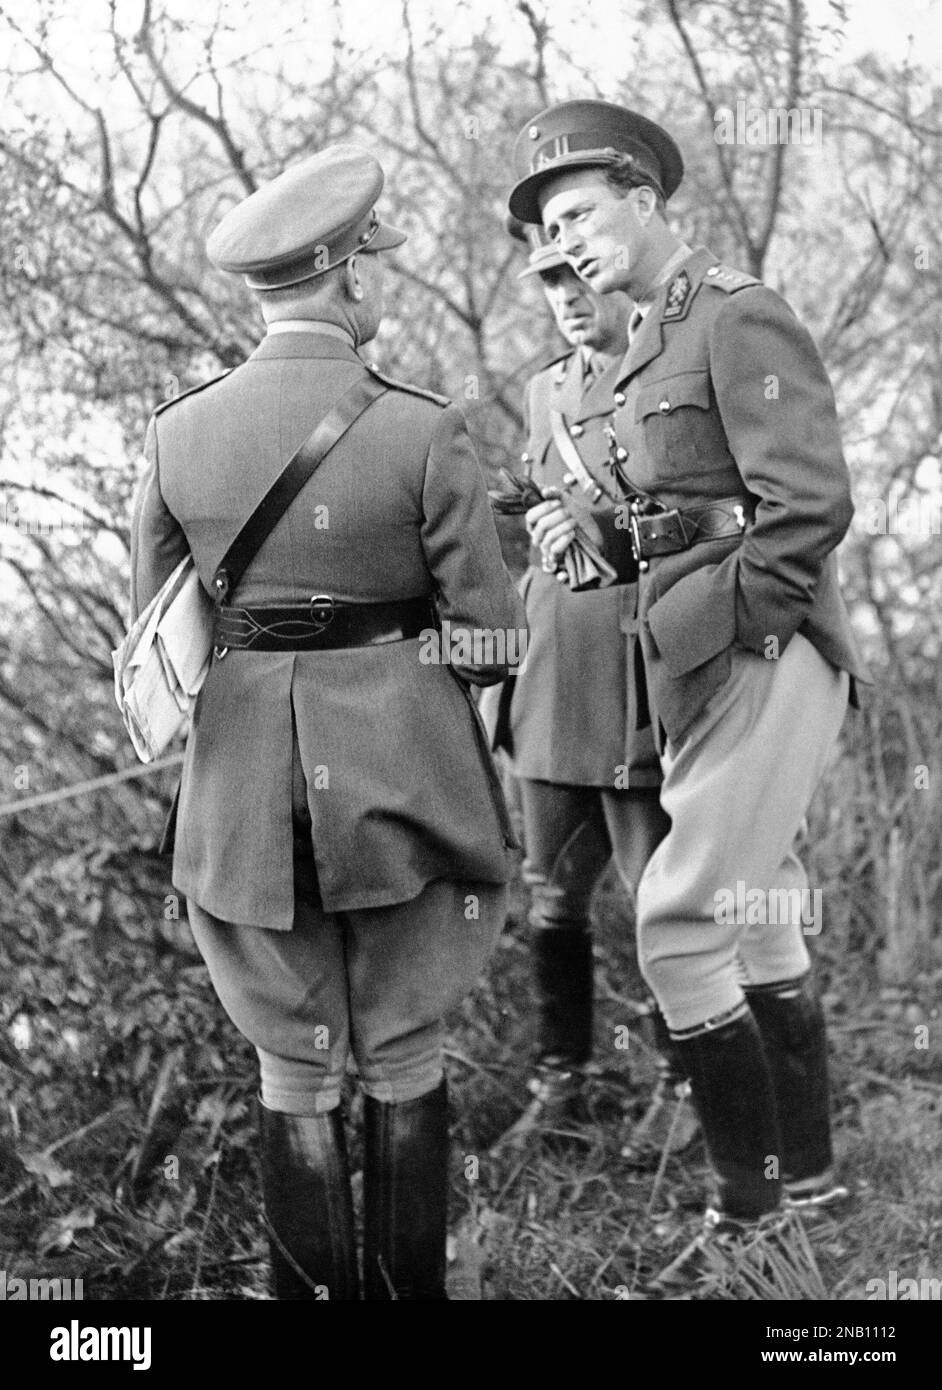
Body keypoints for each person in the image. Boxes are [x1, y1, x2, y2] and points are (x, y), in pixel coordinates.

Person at [129, 144, 525, 1300]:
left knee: (292, 1062)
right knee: (403, 1049)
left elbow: (153, 640)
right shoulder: (424, 426)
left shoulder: (177, 432)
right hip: (408, 786)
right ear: (347, 275)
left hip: (244, 794)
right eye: (373, 269)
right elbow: (491, 637)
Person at [508, 99, 870, 1280]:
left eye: (582, 214)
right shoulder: (645, 348)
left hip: (760, 652)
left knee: (675, 921)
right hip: (697, 658)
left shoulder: (735, 315)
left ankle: (750, 1216)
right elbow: (665, 522)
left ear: (650, 199)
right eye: (549, 229)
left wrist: (724, 630)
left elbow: (805, 510)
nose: (567, 245)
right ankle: (807, 1181)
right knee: (759, 909)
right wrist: (593, 538)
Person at [483, 218, 697, 1158]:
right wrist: (530, 524)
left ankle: (687, 1087)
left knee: (659, 893)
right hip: (554, 670)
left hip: (636, 668)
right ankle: (561, 1084)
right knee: (551, 895)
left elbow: (704, 519)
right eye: (551, 285)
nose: (569, 299)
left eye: (581, 277)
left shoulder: (668, 378)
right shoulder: (543, 393)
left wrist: (610, 530)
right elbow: (540, 501)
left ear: (620, 282)